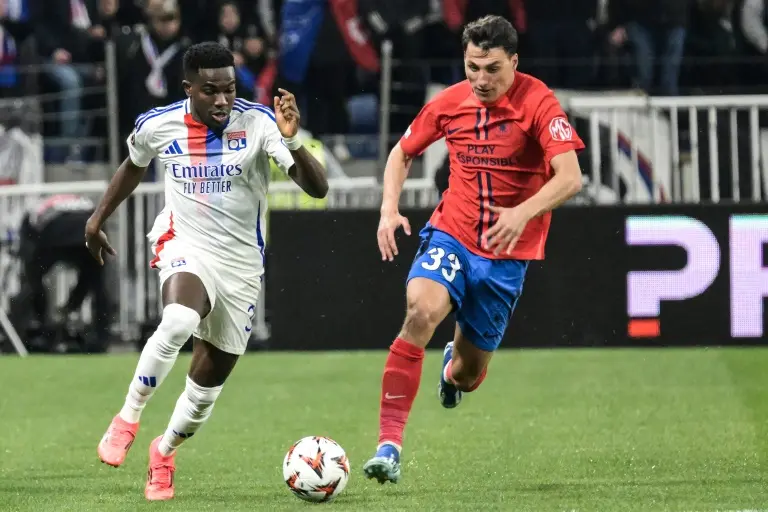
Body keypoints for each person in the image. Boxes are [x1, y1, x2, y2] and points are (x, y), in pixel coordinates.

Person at [84, 41, 327, 501]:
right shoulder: (159, 124)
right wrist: (97, 219)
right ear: (189, 88)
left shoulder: (259, 124)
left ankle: (164, 451)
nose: (222, 100)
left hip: (241, 267)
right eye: (210, 90)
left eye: (230, 89)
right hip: (185, 244)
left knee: (202, 395)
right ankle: (127, 419)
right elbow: (133, 167)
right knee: (178, 319)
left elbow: (316, 188)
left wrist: (292, 139)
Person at [362, 15, 585, 484]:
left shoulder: (539, 102)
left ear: (514, 62)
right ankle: (389, 446)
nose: (481, 80)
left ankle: (452, 373)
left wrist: (523, 212)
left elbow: (570, 177)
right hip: (453, 233)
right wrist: (388, 208)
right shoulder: (449, 103)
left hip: (507, 254)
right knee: (420, 312)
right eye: (472, 67)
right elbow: (402, 152)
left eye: (493, 69)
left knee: (467, 374)